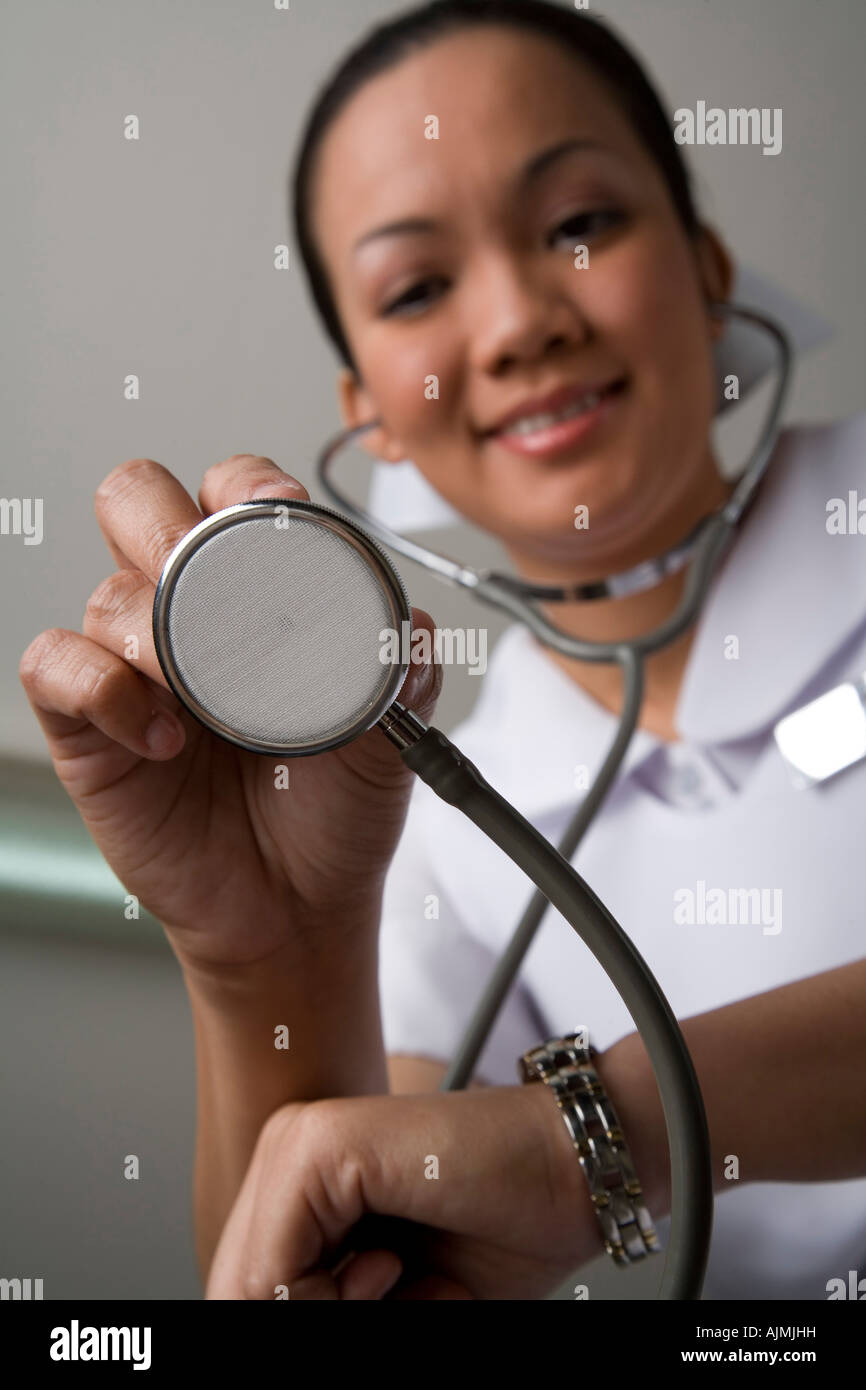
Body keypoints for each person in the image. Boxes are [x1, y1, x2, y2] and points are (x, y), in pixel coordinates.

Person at [19, 0, 866, 1301]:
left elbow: (547, 1159)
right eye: (417, 287)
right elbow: (349, 1253)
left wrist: (597, 1135)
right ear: (373, 419)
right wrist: (261, 958)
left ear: (706, 269)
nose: (520, 320)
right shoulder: (427, 820)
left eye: (579, 224)